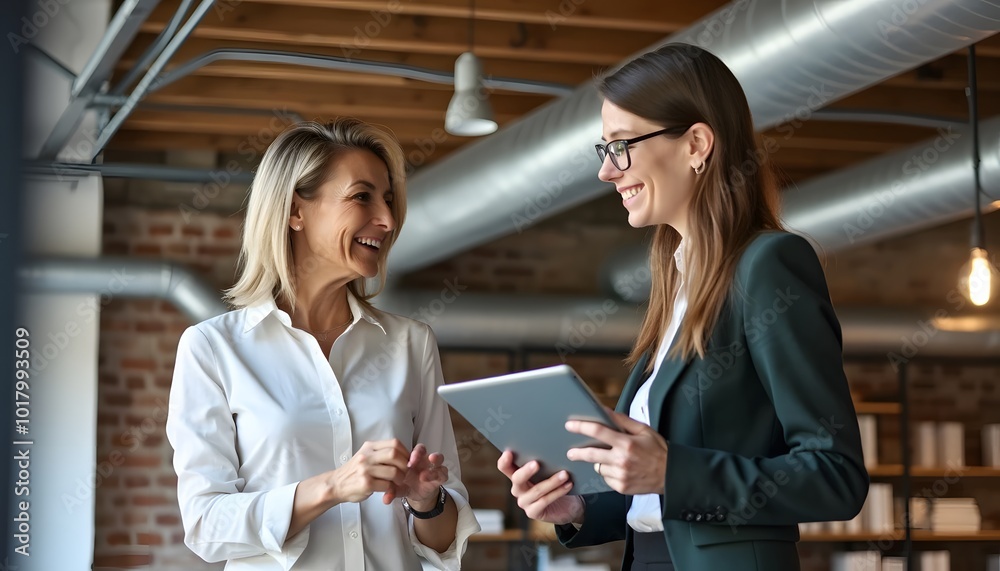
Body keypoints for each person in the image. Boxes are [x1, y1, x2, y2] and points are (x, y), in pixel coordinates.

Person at [497, 44, 869, 571]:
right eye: (603, 149)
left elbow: (836, 476)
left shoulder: (768, 265)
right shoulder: (677, 280)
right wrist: (577, 505)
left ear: (696, 143)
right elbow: (653, 501)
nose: (607, 172)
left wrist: (673, 472)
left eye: (621, 145)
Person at [166, 119, 480, 571]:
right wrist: (333, 487)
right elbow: (205, 525)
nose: (388, 220)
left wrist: (427, 501)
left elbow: (444, 543)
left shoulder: (412, 344)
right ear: (296, 211)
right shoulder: (212, 348)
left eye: (388, 200)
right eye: (362, 196)